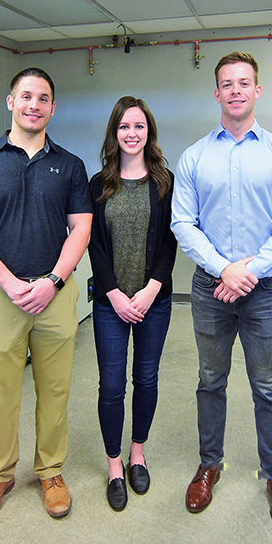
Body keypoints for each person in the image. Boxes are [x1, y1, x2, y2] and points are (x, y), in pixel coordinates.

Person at [170, 52, 272, 534]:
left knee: (267, 386)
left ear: (257, 91)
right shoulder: (194, 157)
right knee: (210, 379)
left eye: (243, 83)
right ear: (216, 93)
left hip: (265, 291)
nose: (234, 90)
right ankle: (210, 465)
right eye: (226, 84)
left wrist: (249, 271)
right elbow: (182, 223)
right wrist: (223, 270)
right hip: (210, 290)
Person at [0, 67, 92, 525]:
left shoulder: (70, 165)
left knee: (55, 390)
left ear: (53, 108)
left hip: (55, 295)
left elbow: (81, 229)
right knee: (0, 393)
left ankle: (50, 472)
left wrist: (52, 280)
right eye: (26, 96)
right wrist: (11, 284)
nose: (34, 104)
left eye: (44, 98)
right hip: (2, 298)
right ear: (10, 101)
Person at [87, 96, 177, 511]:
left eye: (139, 126)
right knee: (111, 385)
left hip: (153, 301)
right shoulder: (99, 184)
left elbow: (169, 243)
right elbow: (94, 247)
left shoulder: (165, 182)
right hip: (110, 303)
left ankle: (137, 453)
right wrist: (115, 295)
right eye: (124, 127)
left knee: (146, 379)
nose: (132, 134)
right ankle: (114, 465)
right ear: (114, 133)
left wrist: (149, 290)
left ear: (149, 133)